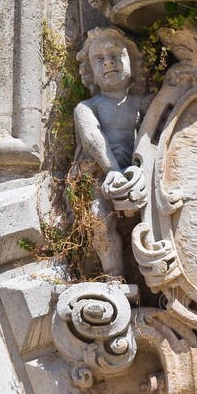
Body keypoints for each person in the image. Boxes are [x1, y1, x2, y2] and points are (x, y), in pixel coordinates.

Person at [74, 27, 150, 275]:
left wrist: (138, 171)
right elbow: (93, 139)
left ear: (133, 63)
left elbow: (153, 134)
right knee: (99, 220)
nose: (108, 62)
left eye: (116, 55)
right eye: (99, 59)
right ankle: (113, 276)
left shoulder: (143, 103)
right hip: (100, 175)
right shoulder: (87, 107)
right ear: (90, 73)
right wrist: (113, 171)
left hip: (139, 172)